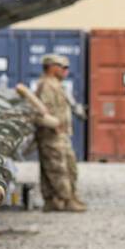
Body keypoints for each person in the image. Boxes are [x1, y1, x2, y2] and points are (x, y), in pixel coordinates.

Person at [33, 53, 85, 212]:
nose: (66, 71)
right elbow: (39, 113)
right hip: (51, 135)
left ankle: (57, 200)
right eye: (63, 67)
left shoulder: (56, 85)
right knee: (57, 168)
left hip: (60, 134)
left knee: (68, 167)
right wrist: (53, 125)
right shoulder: (46, 85)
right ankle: (65, 200)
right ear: (51, 67)